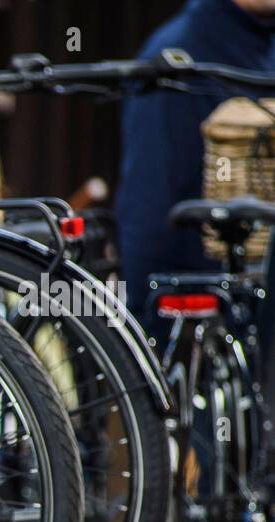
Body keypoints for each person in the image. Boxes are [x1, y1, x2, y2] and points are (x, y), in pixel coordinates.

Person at [115, 0, 275, 329]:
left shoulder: (264, 44)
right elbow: (149, 204)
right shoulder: (179, 52)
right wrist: (149, 323)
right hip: (204, 306)